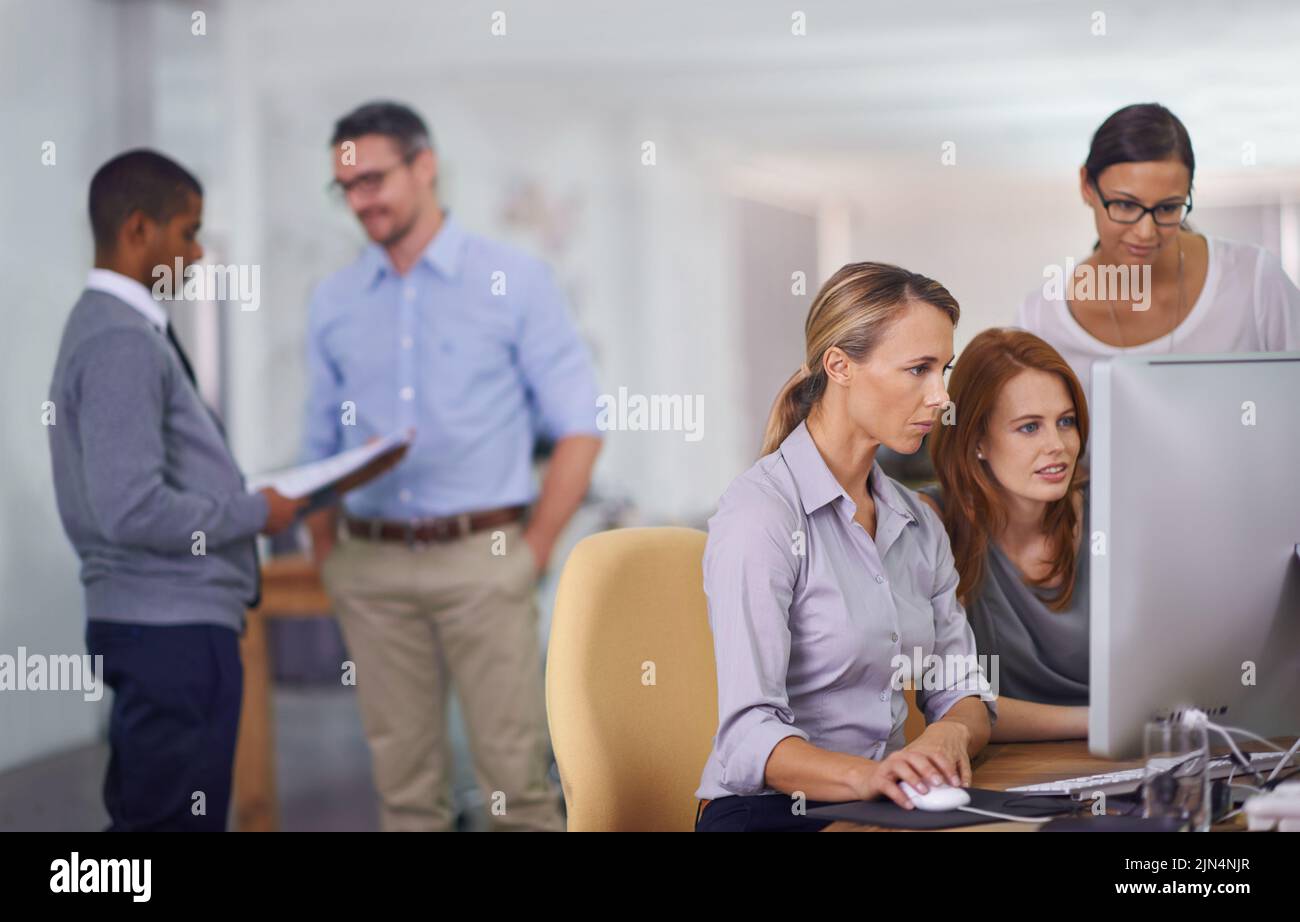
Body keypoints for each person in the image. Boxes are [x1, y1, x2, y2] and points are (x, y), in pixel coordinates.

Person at [301, 101, 602, 831]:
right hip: (370, 568)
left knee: (518, 789)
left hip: (486, 558)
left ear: (424, 166)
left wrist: (532, 550)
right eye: (347, 187)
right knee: (405, 797)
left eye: (374, 178)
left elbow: (580, 428)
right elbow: (318, 447)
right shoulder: (335, 300)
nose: (361, 200)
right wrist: (328, 556)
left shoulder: (515, 280)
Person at [47, 149, 305, 831]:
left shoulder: (120, 333)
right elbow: (131, 507)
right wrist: (256, 511)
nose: (194, 254)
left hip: (166, 627)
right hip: (171, 632)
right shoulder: (120, 342)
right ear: (139, 230)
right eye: (188, 233)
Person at [694, 262, 996, 832]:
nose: (941, 396)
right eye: (918, 370)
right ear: (839, 366)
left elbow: (962, 690)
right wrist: (869, 778)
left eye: (944, 369)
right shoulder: (761, 515)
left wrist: (949, 730)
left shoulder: (916, 523)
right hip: (767, 811)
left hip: (881, 805)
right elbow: (747, 735)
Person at [1018, 102, 1300, 416]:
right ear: (1086, 185)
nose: (1145, 232)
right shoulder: (1041, 320)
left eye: (1167, 209)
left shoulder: (1255, 283)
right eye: (1125, 205)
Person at [919, 328, 1090, 742]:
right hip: (1002, 774)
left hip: (1131, 758)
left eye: (1065, 422)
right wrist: (1098, 722)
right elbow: (952, 703)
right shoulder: (932, 522)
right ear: (978, 440)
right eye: (1029, 427)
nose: (1058, 445)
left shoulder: (1114, 514)